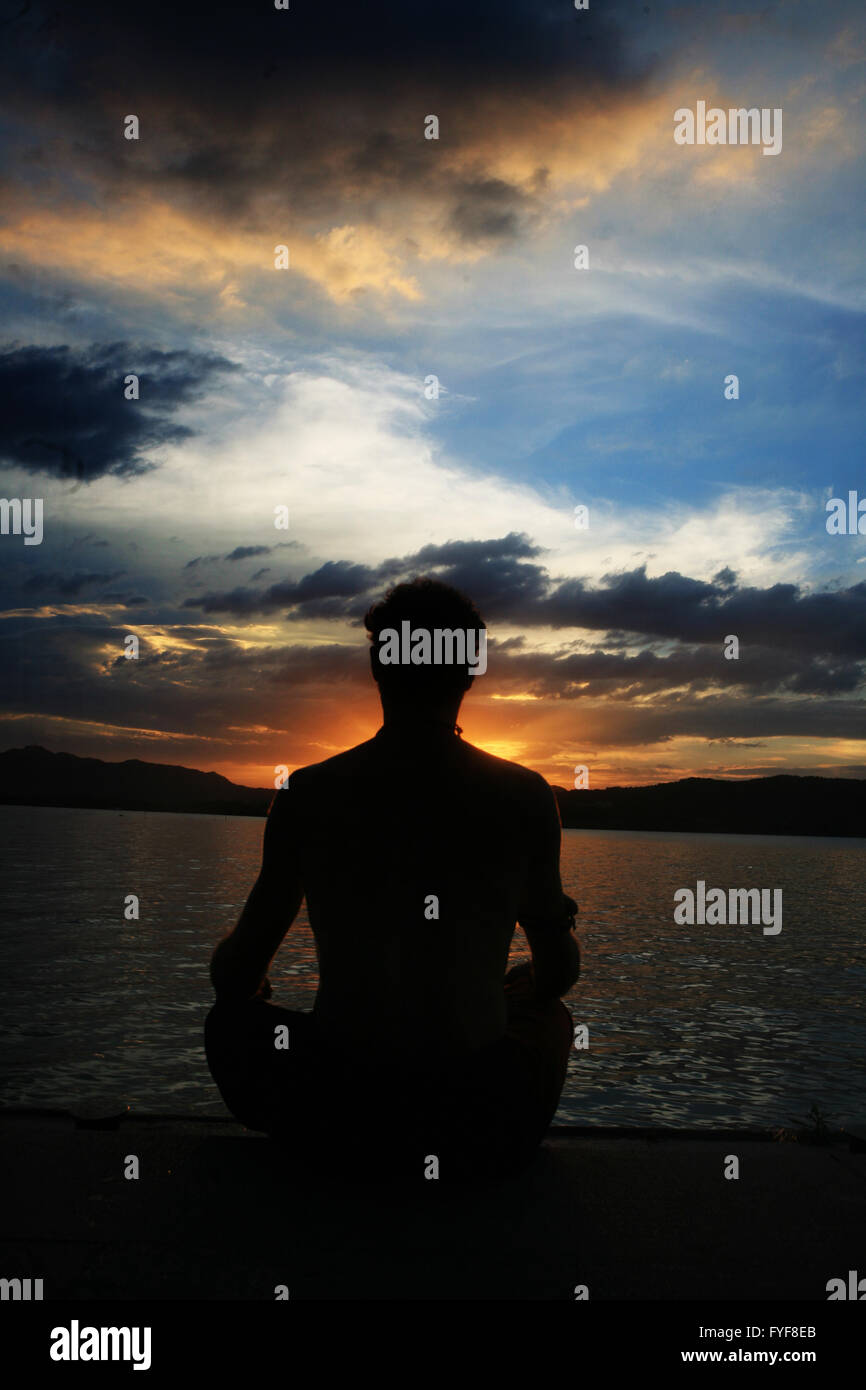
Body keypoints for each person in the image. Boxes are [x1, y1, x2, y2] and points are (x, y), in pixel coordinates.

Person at [205, 577, 580, 1181]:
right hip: (482, 1120)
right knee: (546, 1011)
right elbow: (559, 976)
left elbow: (233, 977)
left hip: (339, 1111)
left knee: (228, 1021)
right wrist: (548, 931)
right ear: (470, 673)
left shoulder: (309, 793)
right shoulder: (525, 796)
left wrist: (258, 988)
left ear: (379, 667)